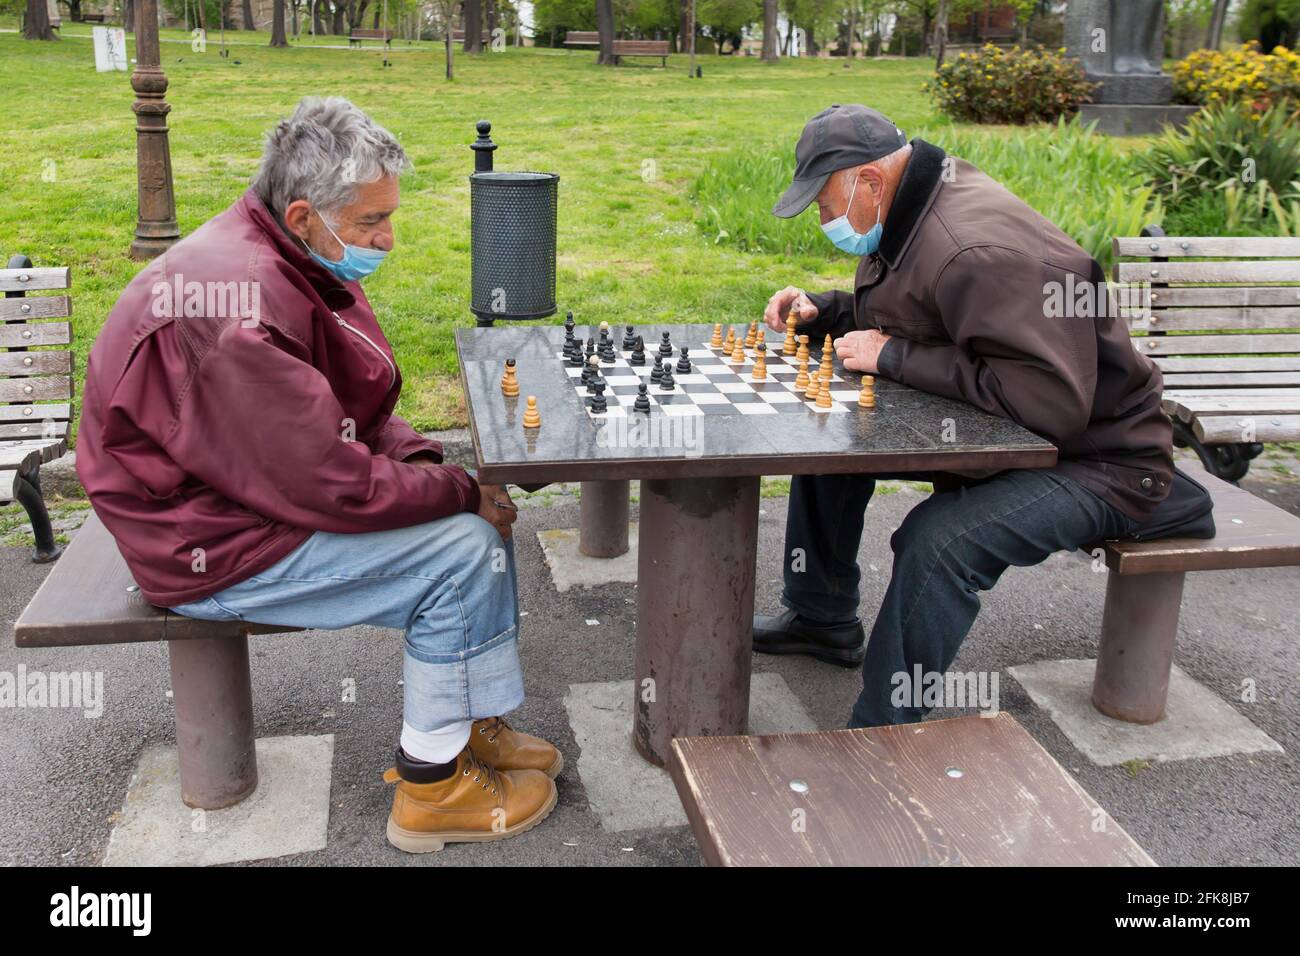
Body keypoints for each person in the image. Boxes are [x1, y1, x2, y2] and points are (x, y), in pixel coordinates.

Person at [76, 97, 558, 853]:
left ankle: (467, 723)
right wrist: (460, 489)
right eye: (371, 224)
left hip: (230, 500)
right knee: (462, 553)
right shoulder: (234, 313)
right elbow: (333, 483)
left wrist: (429, 462)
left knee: (471, 528)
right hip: (200, 542)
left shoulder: (287, 257)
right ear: (303, 215)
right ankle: (431, 790)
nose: (387, 240)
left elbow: (349, 412)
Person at [753, 104, 1175, 728]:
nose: (823, 218)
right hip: (1012, 433)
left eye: (824, 202)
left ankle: (881, 733)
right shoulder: (909, 208)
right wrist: (832, 311)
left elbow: (1046, 405)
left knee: (940, 542)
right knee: (831, 433)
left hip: (1099, 461)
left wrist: (893, 356)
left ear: (869, 180)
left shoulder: (977, 249)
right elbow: (930, 317)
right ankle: (822, 618)